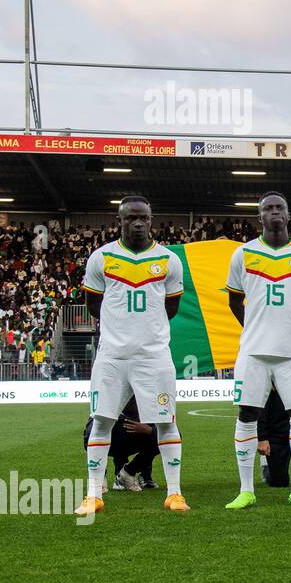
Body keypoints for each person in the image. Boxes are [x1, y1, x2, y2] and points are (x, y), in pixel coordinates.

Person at [76, 196, 187, 515]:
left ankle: (175, 493)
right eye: (131, 218)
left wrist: (144, 333)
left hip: (154, 357)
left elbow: (171, 307)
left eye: (143, 218)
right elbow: (93, 305)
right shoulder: (101, 257)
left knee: (167, 423)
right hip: (112, 356)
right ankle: (94, 494)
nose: (138, 223)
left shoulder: (168, 260)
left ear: (152, 220)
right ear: (119, 220)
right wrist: (121, 331)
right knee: (101, 421)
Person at [223, 192, 291, 510]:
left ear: (288, 213)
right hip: (253, 351)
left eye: (279, 207)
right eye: (268, 208)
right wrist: (257, 325)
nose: (274, 212)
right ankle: (246, 489)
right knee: (247, 414)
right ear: (260, 217)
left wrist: (288, 325)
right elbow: (233, 301)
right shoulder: (243, 254)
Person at [82, 396, 157, 494]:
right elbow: (90, 435)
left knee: (164, 438)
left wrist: (149, 430)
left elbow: (166, 431)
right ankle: (99, 477)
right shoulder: (106, 405)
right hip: (112, 440)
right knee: (95, 431)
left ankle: (129, 473)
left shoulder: (146, 404)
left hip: (130, 440)